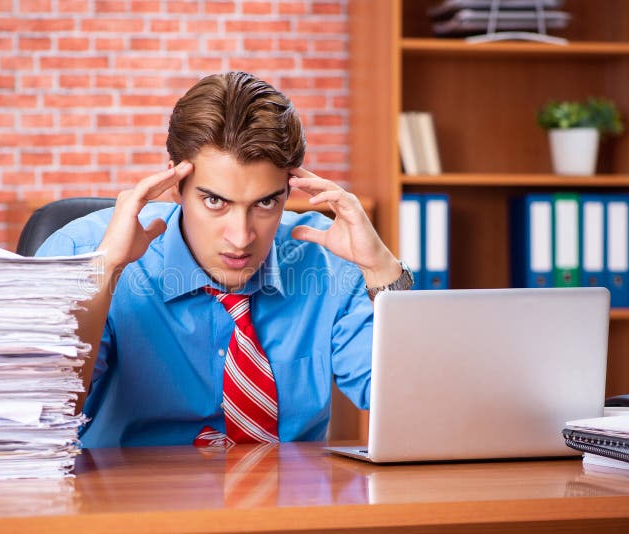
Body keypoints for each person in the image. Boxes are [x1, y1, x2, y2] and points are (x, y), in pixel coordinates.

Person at [36, 71, 412, 448]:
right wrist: (106, 272)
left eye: (265, 203)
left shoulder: (329, 257)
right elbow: (43, 416)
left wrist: (381, 270)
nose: (241, 236)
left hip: (293, 502)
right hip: (126, 500)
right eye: (215, 201)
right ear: (175, 185)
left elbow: (413, 410)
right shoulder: (81, 251)